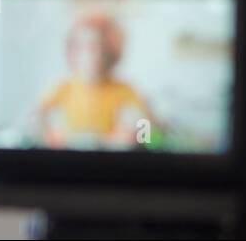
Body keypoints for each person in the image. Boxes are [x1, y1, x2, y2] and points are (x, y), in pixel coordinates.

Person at [35, 13, 156, 149]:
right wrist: (49, 136)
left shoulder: (124, 89)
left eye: (99, 47)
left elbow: (147, 126)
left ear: (112, 51)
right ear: (71, 51)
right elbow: (36, 117)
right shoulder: (62, 86)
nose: (90, 55)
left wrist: (136, 138)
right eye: (82, 47)